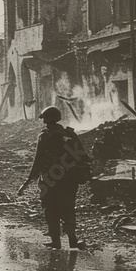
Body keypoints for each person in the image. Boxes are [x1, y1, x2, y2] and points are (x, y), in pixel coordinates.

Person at [18, 105, 89, 249]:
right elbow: (82, 155)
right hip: (69, 179)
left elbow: (38, 161)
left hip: (51, 179)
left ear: (46, 120)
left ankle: (56, 241)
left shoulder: (45, 136)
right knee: (68, 207)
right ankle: (72, 240)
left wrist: (26, 183)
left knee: (51, 208)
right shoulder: (70, 134)